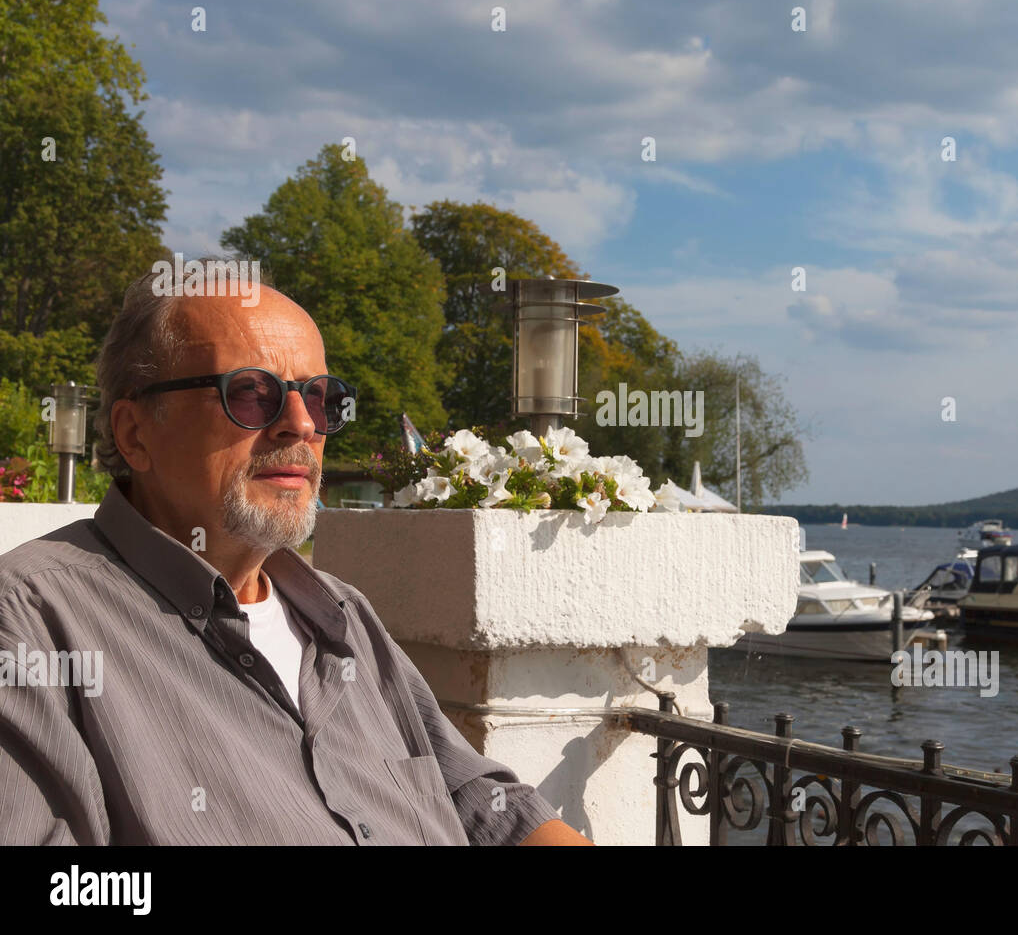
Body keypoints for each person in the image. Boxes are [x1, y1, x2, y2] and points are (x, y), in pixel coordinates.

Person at [0, 259, 591, 845]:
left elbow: (479, 800)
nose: (301, 424)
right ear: (135, 433)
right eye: (251, 394)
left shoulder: (338, 612)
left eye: (321, 397)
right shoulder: (33, 623)